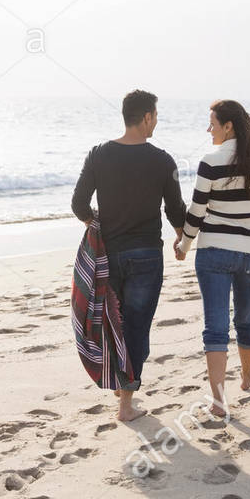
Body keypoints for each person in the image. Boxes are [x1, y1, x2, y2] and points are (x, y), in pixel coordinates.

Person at [72, 89, 187, 422]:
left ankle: (122, 392)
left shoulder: (98, 155)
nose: (156, 123)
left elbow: (78, 204)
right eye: (155, 117)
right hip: (147, 255)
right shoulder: (163, 160)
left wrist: (95, 223)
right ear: (147, 117)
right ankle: (126, 403)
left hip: (109, 255)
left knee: (112, 323)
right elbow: (175, 209)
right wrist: (182, 239)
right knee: (137, 327)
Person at [174, 99, 250, 419]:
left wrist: (184, 244)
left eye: (213, 124)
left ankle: (219, 400)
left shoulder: (210, 161)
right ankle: (247, 374)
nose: (209, 129)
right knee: (247, 319)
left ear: (228, 126)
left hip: (214, 252)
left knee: (215, 327)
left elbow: (197, 210)